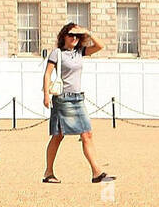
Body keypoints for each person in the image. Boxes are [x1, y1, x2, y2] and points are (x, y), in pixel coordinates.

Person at [42, 22, 113, 184]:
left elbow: (100, 46)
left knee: (87, 133)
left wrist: (86, 32)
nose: (74, 38)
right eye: (71, 35)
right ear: (64, 36)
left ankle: (97, 172)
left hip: (77, 98)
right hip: (62, 98)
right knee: (58, 135)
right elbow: (47, 75)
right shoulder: (57, 53)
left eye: (77, 36)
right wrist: (46, 95)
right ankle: (48, 172)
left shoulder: (80, 52)